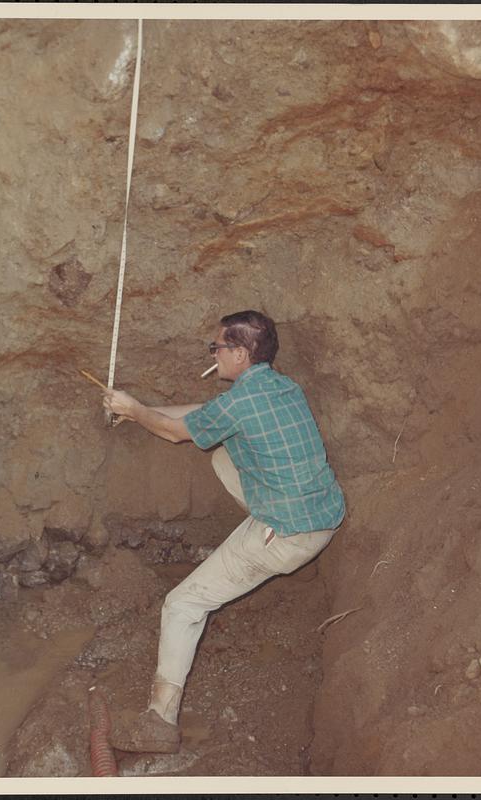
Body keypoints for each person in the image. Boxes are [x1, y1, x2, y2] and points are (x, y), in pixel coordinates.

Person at [102, 310, 345, 754]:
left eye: (217, 348)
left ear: (239, 353)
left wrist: (134, 409)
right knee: (222, 457)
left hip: (286, 534)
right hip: (322, 515)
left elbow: (178, 434)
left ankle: (159, 721)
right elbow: (201, 416)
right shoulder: (281, 388)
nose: (213, 354)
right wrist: (139, 414)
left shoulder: (239, 402)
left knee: (182, 605)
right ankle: (297, 565)